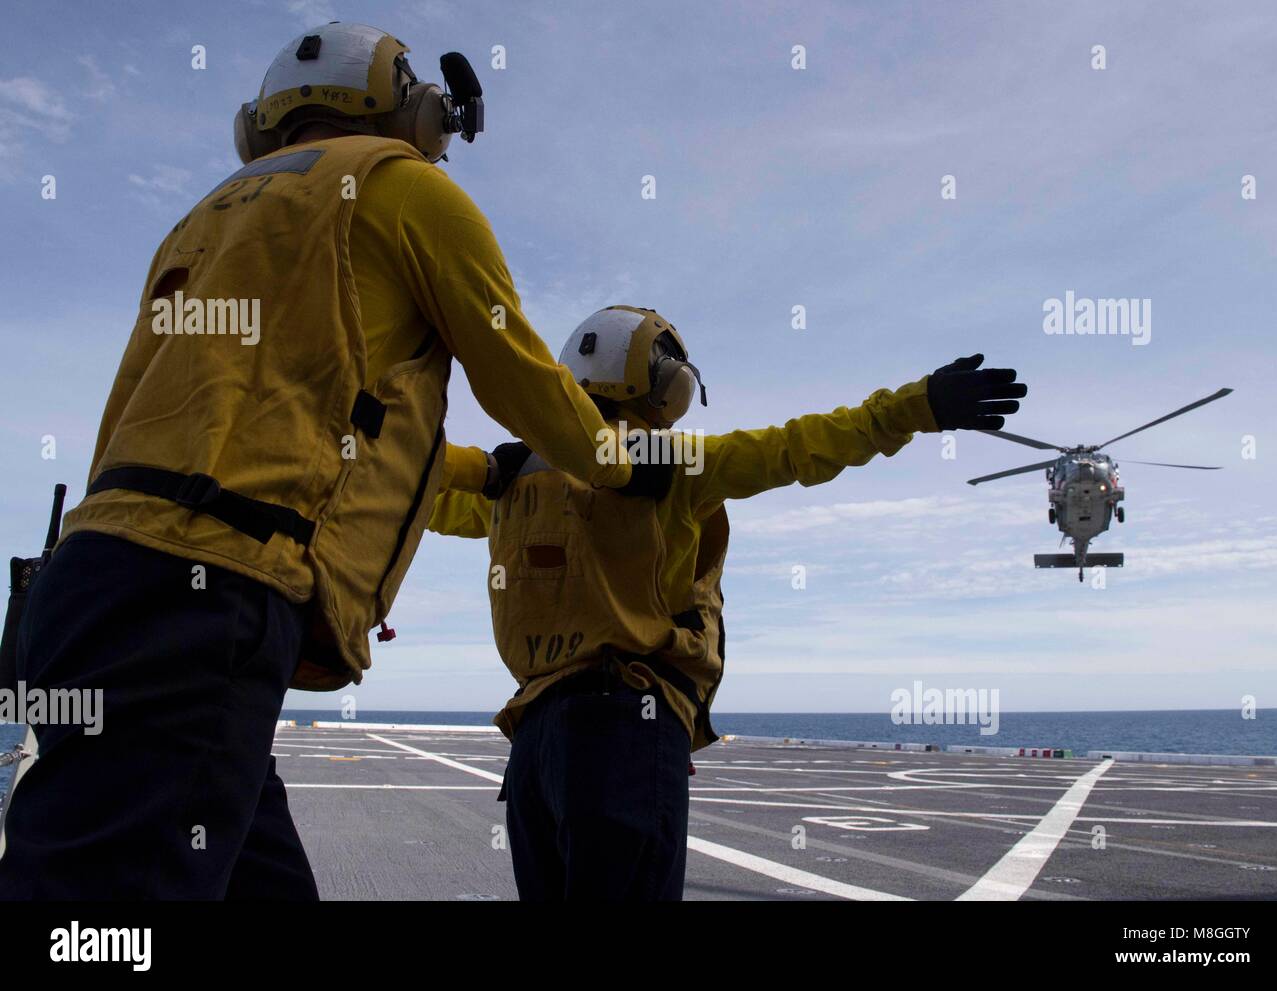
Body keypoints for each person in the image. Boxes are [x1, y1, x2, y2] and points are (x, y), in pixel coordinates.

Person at [0, 23, 649, 900]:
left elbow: (306, 411)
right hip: (208, 589)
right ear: (411, 106)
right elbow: (524, 377)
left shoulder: (208, 213)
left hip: (98, 579)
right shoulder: (404, 187)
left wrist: (473, 472)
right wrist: (614, 463)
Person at [427, 304, 1028, 900]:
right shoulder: (676, 464)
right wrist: (917, 405)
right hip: (626, 731)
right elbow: (797, 448)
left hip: (535, 747)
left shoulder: (511, 482)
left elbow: (424, 507)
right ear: (657, 381)